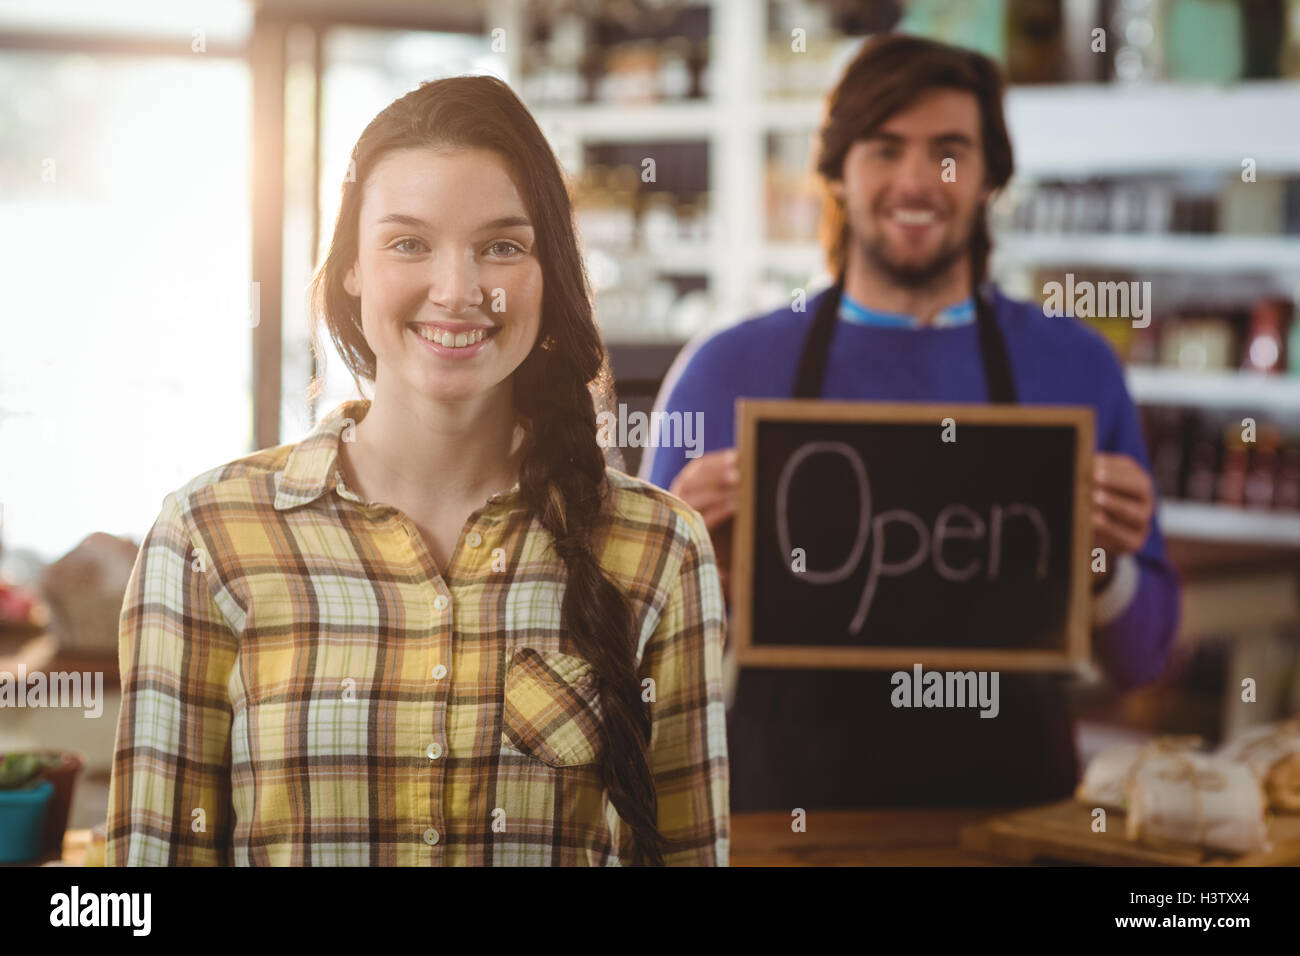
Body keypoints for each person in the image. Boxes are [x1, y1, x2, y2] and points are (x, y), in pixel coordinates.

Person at [106, 75, 728, 866]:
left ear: (547, 276)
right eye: (408, 243)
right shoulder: (205, 537)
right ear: (352, 270)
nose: (458, 290)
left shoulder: (661, 550)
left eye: (502, 246)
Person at [641, 34, 1181, 811]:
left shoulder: (1075, 367)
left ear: (992, 173)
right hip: (791, 825)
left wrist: (1105, 566)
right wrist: (702, 577)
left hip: (1010, 819)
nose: (919, 180)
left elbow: (1146, 658)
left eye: (950, 151)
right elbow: (643, 681)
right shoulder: (723, 371)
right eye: (885, 149)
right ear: (836, 169)